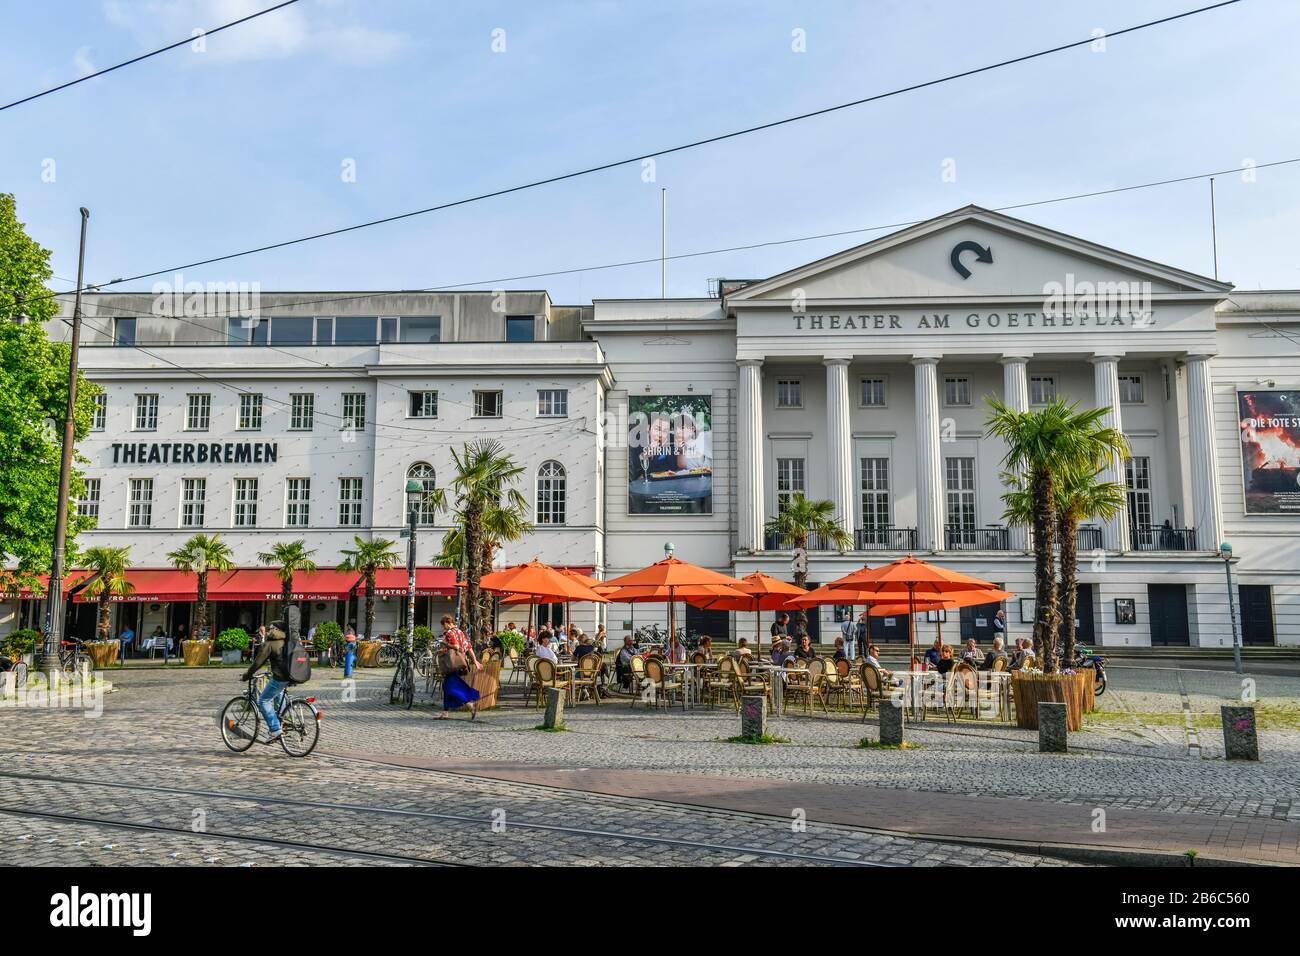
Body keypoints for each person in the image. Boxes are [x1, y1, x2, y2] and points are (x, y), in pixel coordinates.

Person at [240, 619, 290, 743]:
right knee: (278, 695)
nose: (268, 631)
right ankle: (282, 723)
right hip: (291, 676)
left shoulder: (270, 644)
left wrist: (247, 675)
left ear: (276, 630)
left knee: (263, 700)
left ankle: (274, 729)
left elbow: (258, 663)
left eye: (270, 628)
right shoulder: (287, 641)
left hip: (279, 677)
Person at [437, 615, 481, 719]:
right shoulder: (460, 632)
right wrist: (475, 661)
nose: (444, 628)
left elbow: (455, 646)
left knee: (450, 687)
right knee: (447, 687)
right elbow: (468, 647)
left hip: (451, 664)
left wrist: (445, 644)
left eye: (444, 625)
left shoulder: (449, 633)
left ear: (448, 622)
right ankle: (445, 712)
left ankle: (470, 703)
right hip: (460, 663)